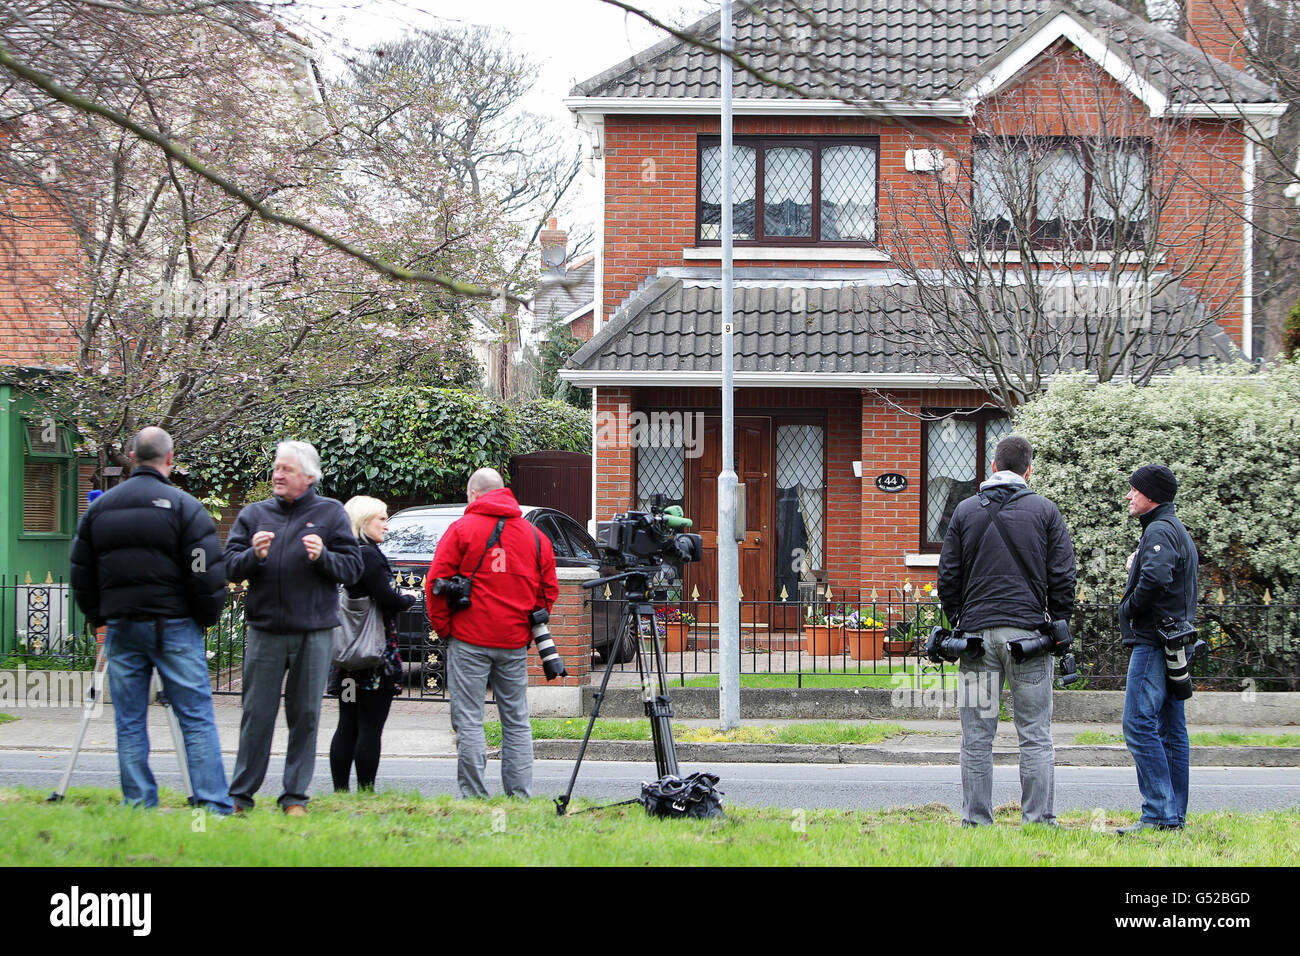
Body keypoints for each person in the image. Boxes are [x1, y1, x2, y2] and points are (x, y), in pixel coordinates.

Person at [69, 426, 232, 814]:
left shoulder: (100, 510)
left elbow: (82, 572)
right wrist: (204, 617)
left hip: (123, 626)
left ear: (132, 457)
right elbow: (205, 569)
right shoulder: (184, 507)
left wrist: (98, 617)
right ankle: (212, 804)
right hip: (175, 625)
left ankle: (139, 803)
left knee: (129, 720)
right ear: (169, 460)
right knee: (195, 718)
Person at [937, 434, 1076, 827]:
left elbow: (947, 576)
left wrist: (960, 619)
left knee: (977, 737)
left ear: (993, 468)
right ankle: (1037, 820)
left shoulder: (965, 511)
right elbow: (1063, 576)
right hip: (1028, 638)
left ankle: (976, 821)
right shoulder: (1046, 511)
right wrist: (1054, 624)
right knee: (1035, 733)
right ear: (1028, 471)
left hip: (977, 639)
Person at [224, 440, 362, 815]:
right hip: (265, 629)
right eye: (276, 467)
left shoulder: (331, 514)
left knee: (305, 715)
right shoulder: (254, 515)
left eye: (285, 469)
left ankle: (294, 797)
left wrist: (324, 557)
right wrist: (253, 555)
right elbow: (227, 566)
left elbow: (353, 571)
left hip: (314, 631)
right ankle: (240, 796)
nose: (277, 474)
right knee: (256, 714)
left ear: (309, 476)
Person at [424, 467, 558, 798]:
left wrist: (445, 629)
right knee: (516, 720)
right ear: (504, 492)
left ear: (473, 494)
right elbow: (548, 591)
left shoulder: (460, 530)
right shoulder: (535, 537)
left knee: (469, 719)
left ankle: (474, 796)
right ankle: (519, 796)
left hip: (468, 638)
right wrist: (527, 629)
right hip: (513, 641)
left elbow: (435, 584)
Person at [1117, 464, 1198, 834]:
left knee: (1137, 723)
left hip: (1155, 642)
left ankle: (1158, 813)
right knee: (1170, 728)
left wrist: (1128, 606)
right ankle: (1173, 816)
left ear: (1150, 495)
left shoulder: (1160, 530)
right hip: (1175, 642)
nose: (1129, 496)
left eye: (1134, 489)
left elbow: (1155, 578)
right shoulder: (1174, 529)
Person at [327, 495, 417, 792]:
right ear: (364, 520)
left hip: (347, 659)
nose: (386, 526)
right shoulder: (368, 555)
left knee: (347, 723)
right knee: (369, 727)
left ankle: (340, 792)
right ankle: (365, 792)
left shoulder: (343, 553)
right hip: (374, 658)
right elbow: (386, 598)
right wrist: (408, 598)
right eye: (382, 518)